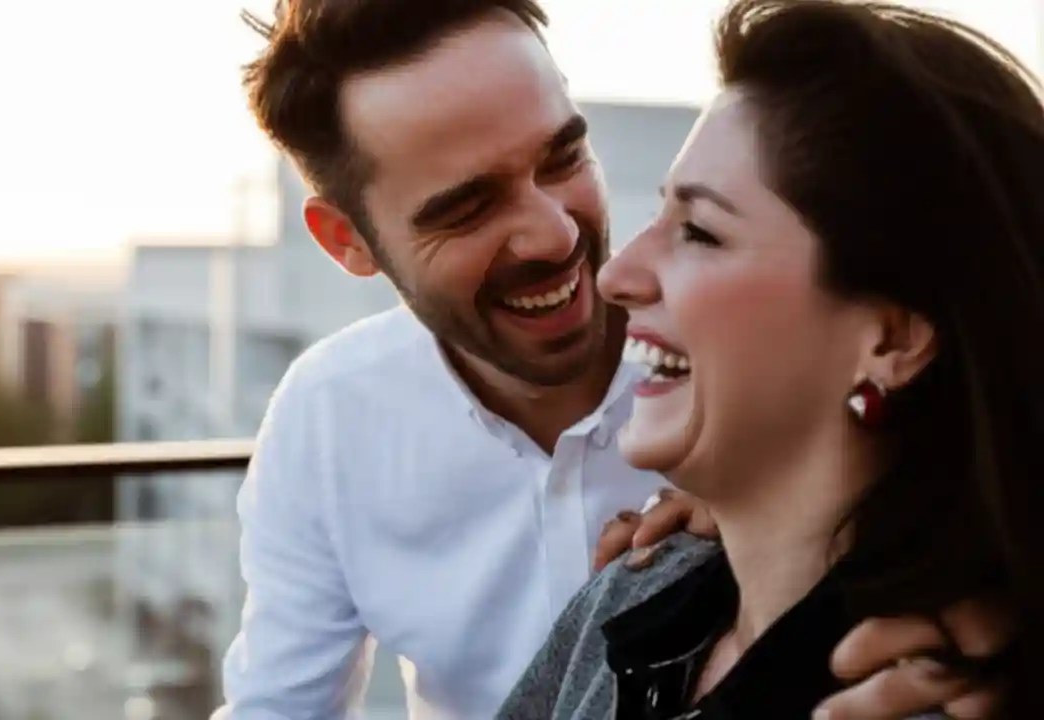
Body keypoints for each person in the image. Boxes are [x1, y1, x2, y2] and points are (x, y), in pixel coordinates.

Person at [217, 1, 1008, 717]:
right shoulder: (330, 416)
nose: (566, 240)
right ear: (348, 241)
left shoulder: (752, 349)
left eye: (563, 158)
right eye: (467, 207)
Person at [496, 1, 1039, 717]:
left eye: (698, 231)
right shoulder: (627, 602)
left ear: (893, 341)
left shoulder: (944, 695)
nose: (615, 275)